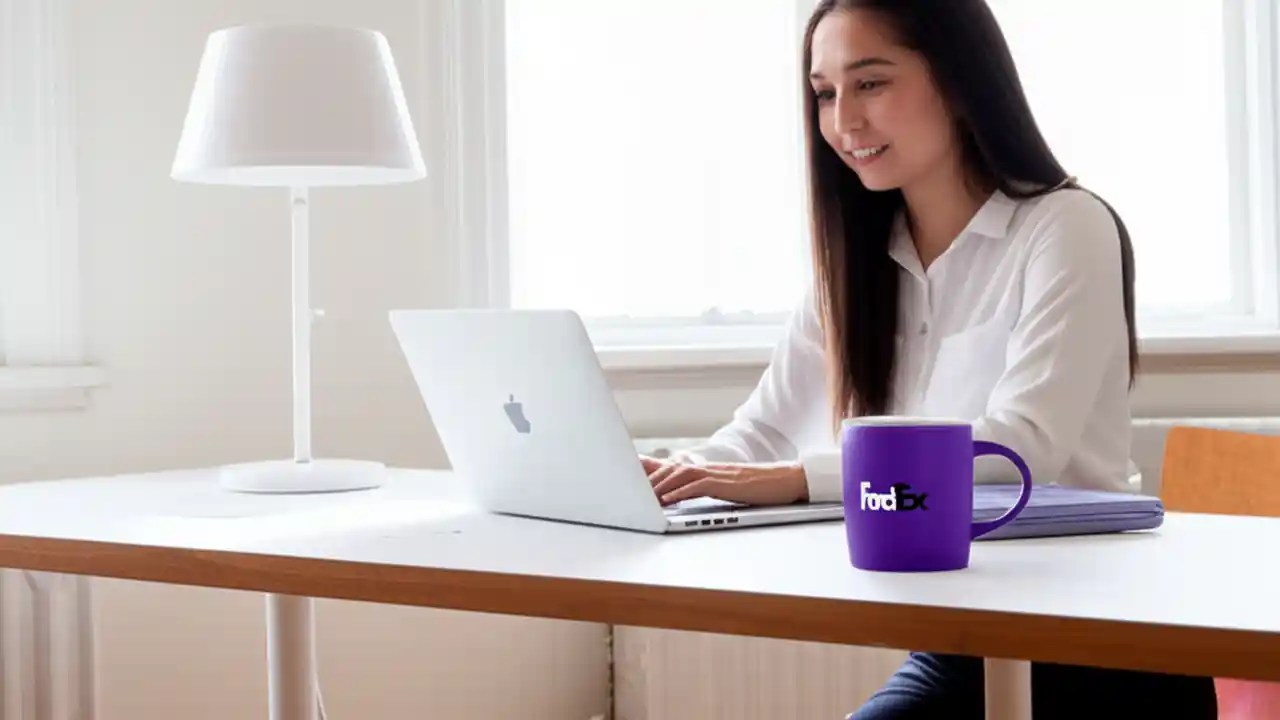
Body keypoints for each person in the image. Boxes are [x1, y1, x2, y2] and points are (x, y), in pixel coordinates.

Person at [638, 0, 1218, 717]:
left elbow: (1021, 447)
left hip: (1104, 648)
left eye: (871, 83)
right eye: (824, 94)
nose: (843, 121)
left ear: (957, 79)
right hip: (963, 643)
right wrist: (662, 480)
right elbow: (754, 438)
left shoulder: (1066, 228)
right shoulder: (853, 269)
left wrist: (796, 481)